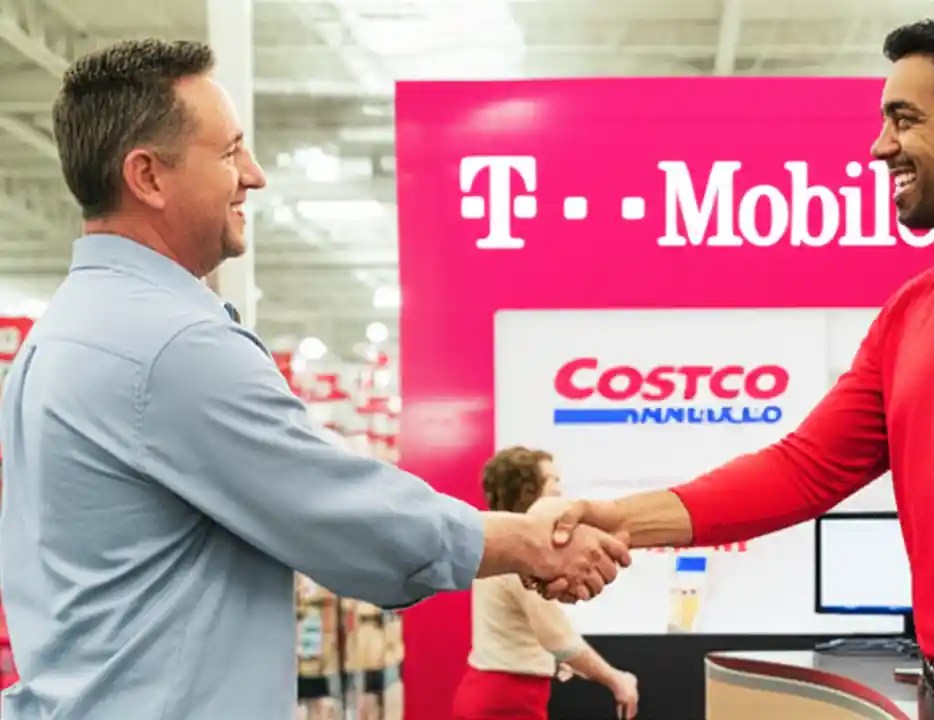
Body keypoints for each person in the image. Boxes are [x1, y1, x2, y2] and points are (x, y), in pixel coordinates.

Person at [529, 17, 934, 720]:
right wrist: (618, 518)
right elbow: (803, 469)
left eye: (905, 120)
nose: (881, 147)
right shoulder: (913, 309)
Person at [0, 39, 628, 720]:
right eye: (229, 152)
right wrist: (529, 542)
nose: (255, 175)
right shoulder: (172, 345)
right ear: (147, 176)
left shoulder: (62, 336)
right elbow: (345, 515)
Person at [453, 446, 639, 720]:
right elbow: (557, 637)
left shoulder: (501, 540)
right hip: (507, 700)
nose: (561, 492)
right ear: (529, 489)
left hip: (495, 691)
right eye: (554, 482)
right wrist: (617, 680)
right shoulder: (525, 550)